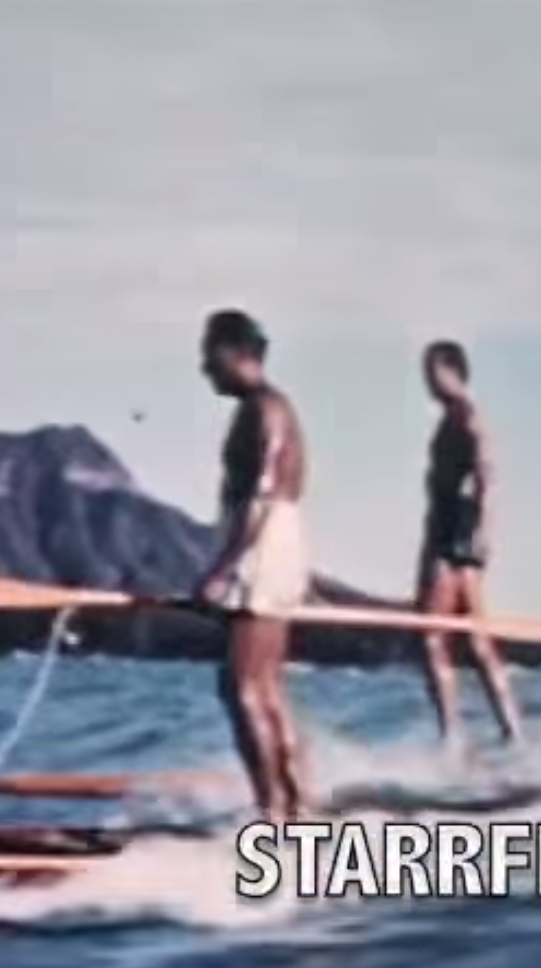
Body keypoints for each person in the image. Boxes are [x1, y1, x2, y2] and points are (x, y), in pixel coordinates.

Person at [194, 309, 312, 822]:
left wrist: (222, 568)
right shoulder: (275, 406)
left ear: (238, 353)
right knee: (266, 686)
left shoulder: (264, 410)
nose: (204, 368)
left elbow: (262, 497)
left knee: (241, 687)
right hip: (279, 540)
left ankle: (273, 813)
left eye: (210, 355)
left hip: (261, 541)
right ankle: (297, 803)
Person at [416, 340, 524, 746]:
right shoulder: (451, 419)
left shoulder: (467, 417)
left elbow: (486, 475)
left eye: (431, 372)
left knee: (432, 636)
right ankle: (510, 730)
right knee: (475, 640)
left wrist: (482, 532)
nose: (426, 382)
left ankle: (453, 736)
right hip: (449, 526)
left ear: (451, 371)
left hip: (456, 529)